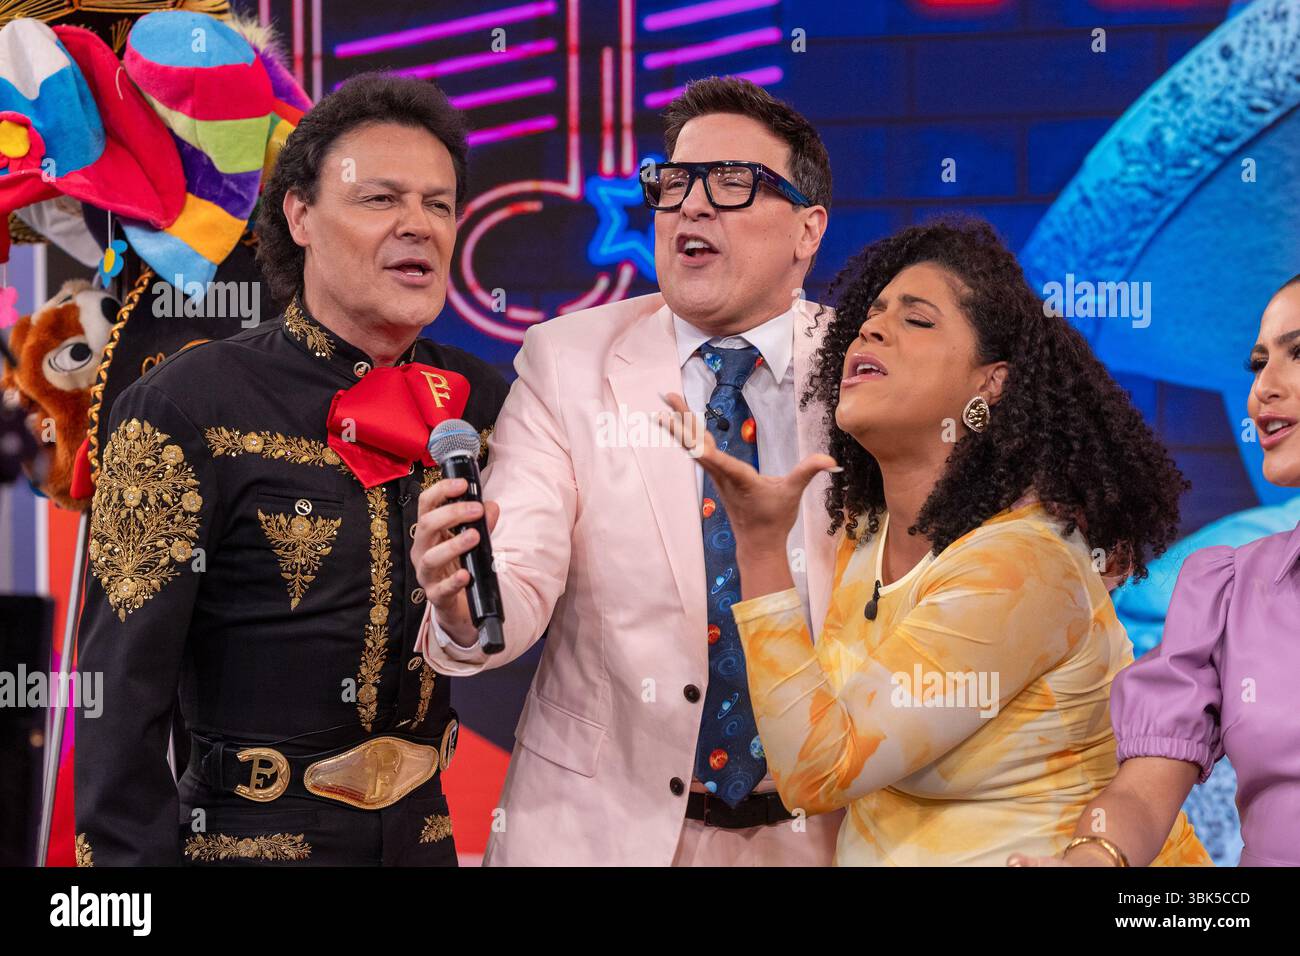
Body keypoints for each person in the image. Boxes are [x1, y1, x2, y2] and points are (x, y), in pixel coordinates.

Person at [659, 217, 1212, 865]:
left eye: (917, 321)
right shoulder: (867, 526)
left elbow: (819, 770)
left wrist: (758, 548)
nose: (871, 327)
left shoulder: (1020, 565)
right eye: (871, 315)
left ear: (990, 385)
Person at [73, 74, 507, 866]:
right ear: (300, 214)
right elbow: (116, 698)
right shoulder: (185, 404)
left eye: (439, 205)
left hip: (428, 840)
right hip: (244, 843)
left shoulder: (484, 400)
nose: (419, 226)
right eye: (381, 199)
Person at [413, 77, 843, 865]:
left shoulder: (867, 370)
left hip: (820, 836)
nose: (692, 206)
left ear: (807, 230)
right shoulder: (569, 361)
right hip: (598, 833)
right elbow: (516, 571)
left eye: (734, 183)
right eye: (674, 182)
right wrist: (468, 600)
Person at [1009, 275, 1300, 868]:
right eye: (1257, 363)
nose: (1262, 391)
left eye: (1299, 354)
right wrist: (1092, 860)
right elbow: (1141, 793)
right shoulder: (1225, 586)